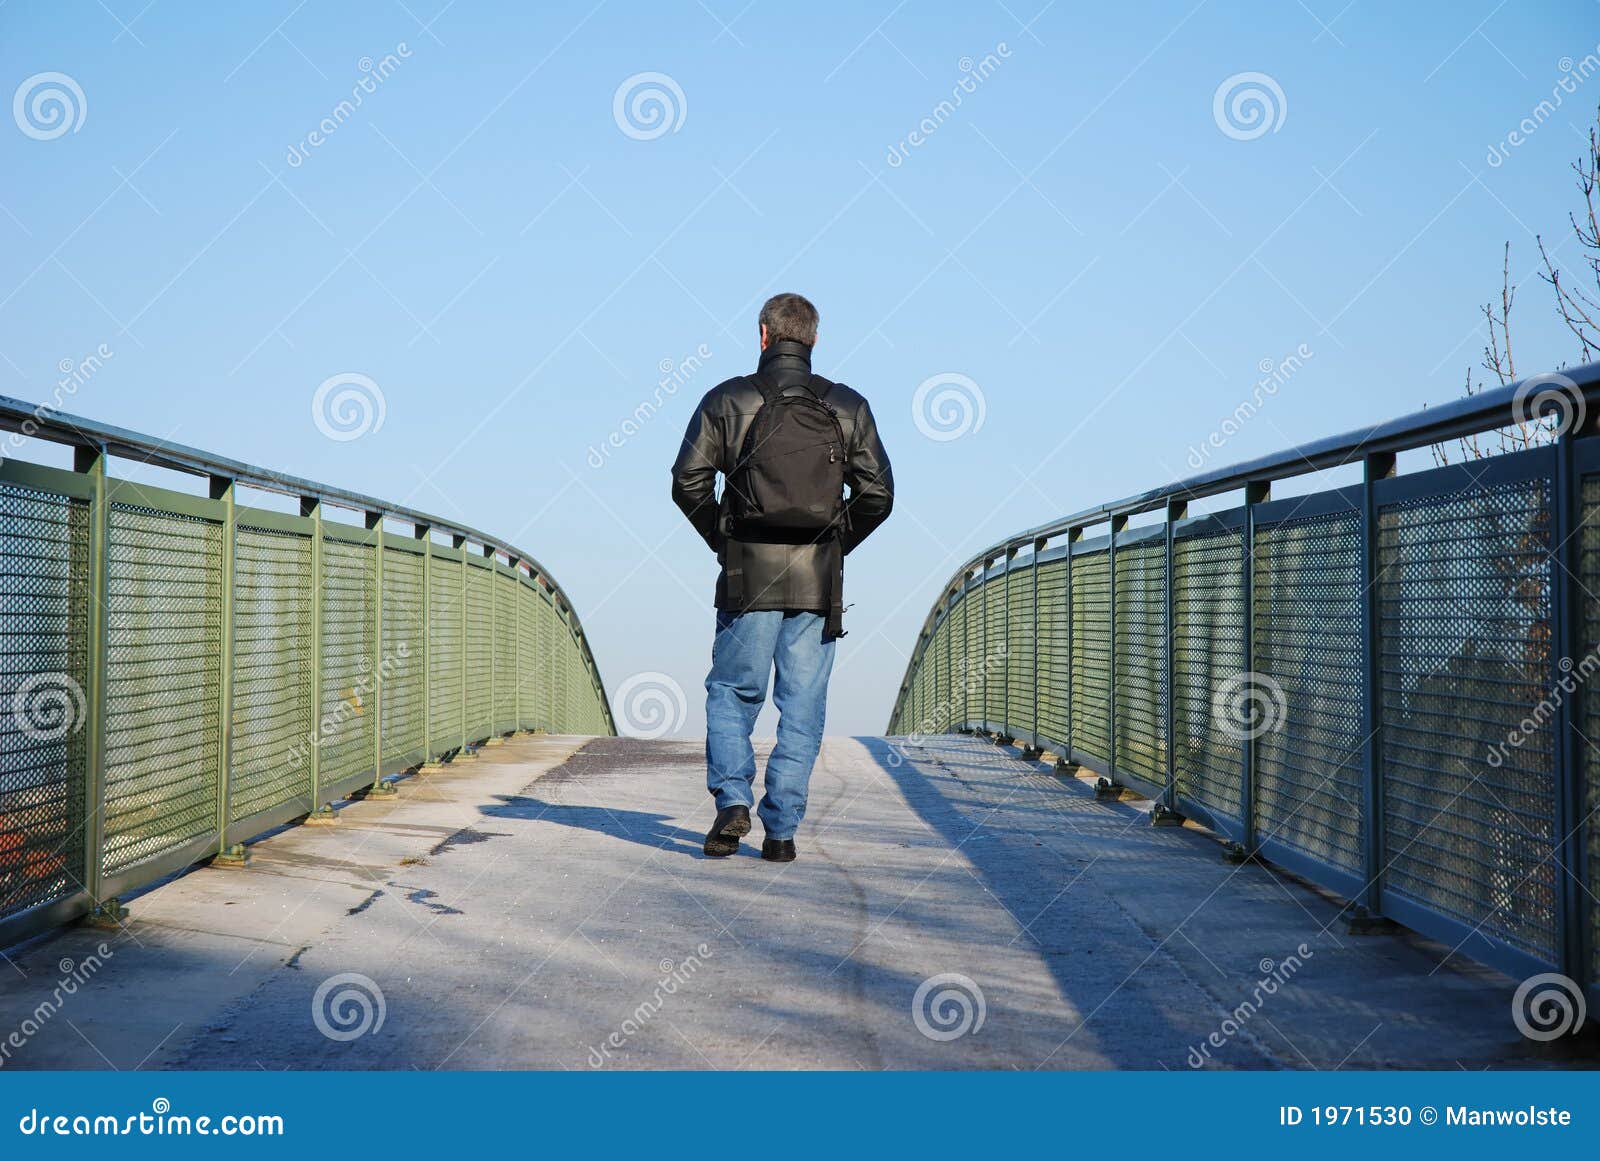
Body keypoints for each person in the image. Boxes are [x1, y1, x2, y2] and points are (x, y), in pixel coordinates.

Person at [670, 292, 894, 862]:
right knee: (802, 704)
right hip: (818, 585)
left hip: (748, 578)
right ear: (813, 340)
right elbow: (879, 495)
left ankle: (732, 802)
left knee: (731, 692)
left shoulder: (727, 399)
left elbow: (687, 483)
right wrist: (834, 543)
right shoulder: (848, 406)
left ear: (763, 335)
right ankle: (782, 833)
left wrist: (725, 543)